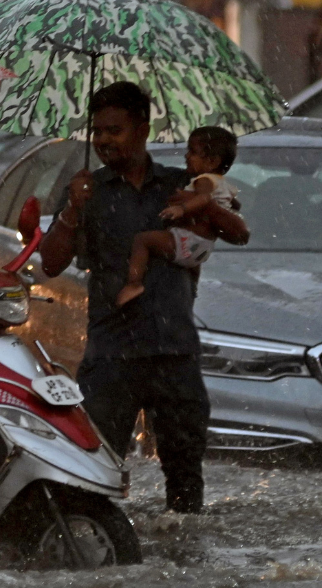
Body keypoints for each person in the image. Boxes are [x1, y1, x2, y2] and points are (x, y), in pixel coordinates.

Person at [39, 82, 249, 514]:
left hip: (174, 351)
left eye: (114, 131)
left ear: (142, 130)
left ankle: (181, 566)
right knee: (95, 475)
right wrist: (70, 212)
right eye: (97, 132)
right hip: (111, 356)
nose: (103, 141)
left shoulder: (179, 186)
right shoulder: (87, 191)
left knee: (186, 480)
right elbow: (51, 264)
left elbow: (236, 233)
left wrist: (203, 204)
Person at [116, 126, 241, 307]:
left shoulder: (204, 180)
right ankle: (192, 288)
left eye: (192, 152)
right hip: (204, 247)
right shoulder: (224, 185)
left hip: (187, 241)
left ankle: (134, 283)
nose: (186, 156)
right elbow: (233, 204)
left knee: (142, 240)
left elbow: (204, 198)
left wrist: (182, 208)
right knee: (190, 265)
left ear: (212, 161)